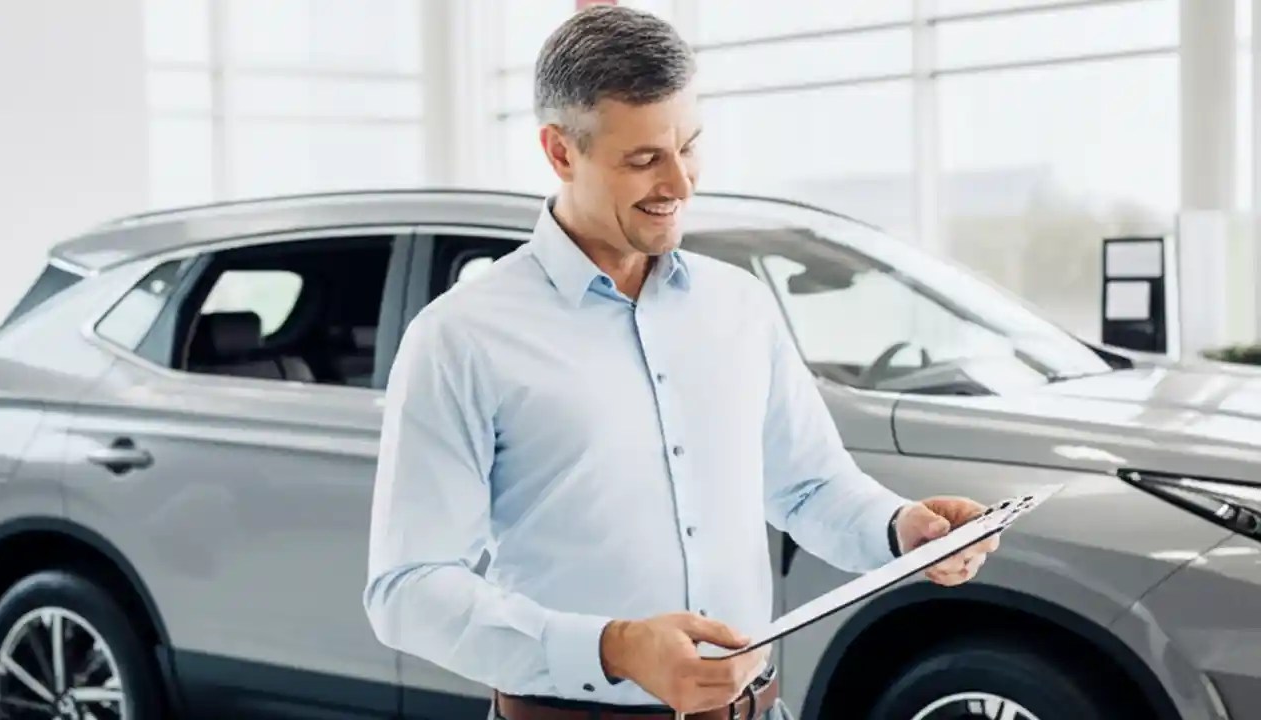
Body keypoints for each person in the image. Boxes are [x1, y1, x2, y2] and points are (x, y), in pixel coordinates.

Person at [363, 6, 1000, 719]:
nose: (680, 184)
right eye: (643, 160)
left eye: (688, 147)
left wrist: (899, 528)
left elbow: (807, 487)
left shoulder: (738, 306)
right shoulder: (461, 337)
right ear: (560, 152)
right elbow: (408, 590)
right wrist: (609, 648)